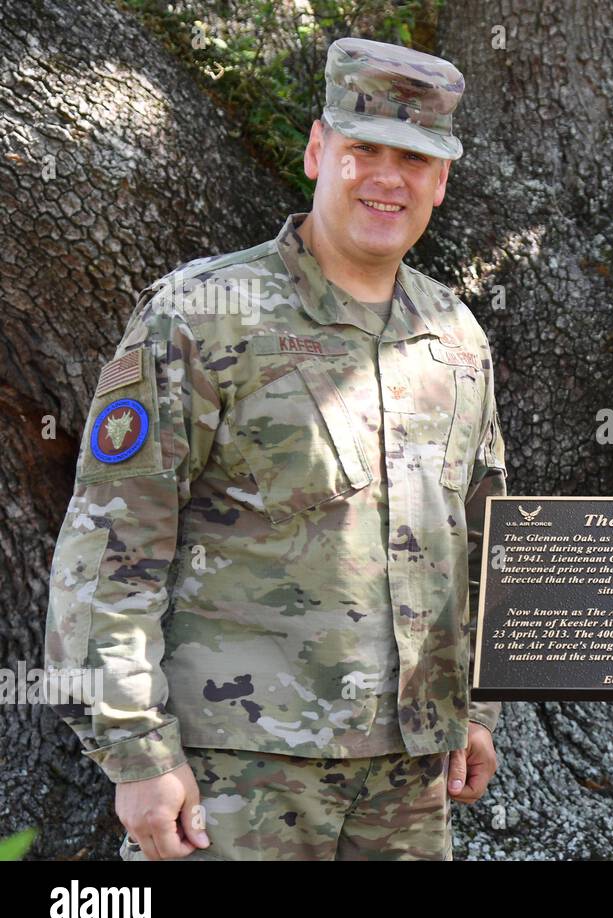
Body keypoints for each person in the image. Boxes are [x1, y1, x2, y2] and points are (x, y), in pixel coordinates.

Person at [43, 37, 506, 860]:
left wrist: (474, 709)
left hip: (408, 777)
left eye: (415, 158)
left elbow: (483, 537)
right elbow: (111, 545)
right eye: (364, 149)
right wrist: (137, 752)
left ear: (441, 180)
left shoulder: (455, 338)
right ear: (319, 151)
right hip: (235, 773)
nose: (387, 178)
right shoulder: (205, 312)